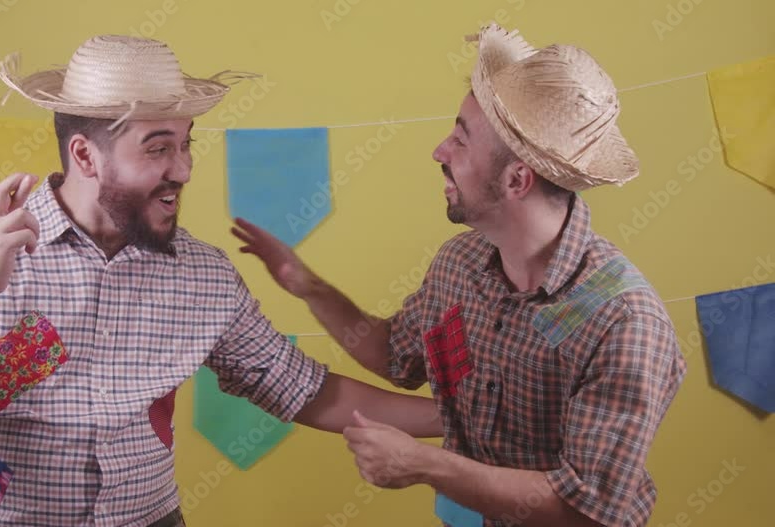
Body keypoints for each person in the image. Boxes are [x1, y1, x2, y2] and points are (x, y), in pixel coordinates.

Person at [0, 35, 443, 527]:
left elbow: (305, 391)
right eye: (158, 148)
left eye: (185, 142)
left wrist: (455, 420)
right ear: (85, 156)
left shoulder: (205, 276)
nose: (185, 169)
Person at [232, 24, 686, 527]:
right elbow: (397, 358)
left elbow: (589, 513)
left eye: (461, 141)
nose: (439, 152)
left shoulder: (624, 322)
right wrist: (308, 286)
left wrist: (427, 464)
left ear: (517, 180)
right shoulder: (460, 263)